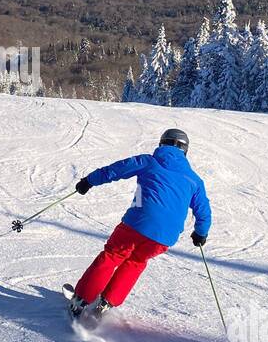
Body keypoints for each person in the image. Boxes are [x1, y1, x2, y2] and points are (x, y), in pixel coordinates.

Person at [69, 128, 211, 319]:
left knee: (112, 255)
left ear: (162, 144)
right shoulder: (194, 180)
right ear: (185, 150)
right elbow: (204, 211)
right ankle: (107, 302)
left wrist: (89, 181)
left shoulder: (148, 161)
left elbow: (116, 169)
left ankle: (81, 299)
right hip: (164, 237)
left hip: (136, 225)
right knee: (136, 261)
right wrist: (200, 233)